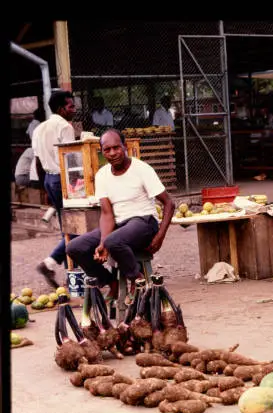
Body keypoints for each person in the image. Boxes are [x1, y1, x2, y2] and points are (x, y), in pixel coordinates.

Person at [67, 129, 175, 299]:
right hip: (119, 225)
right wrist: (102, 243)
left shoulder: (141, 169)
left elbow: (169, 203)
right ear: (102, 152)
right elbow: (107, 214)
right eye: (107, 150)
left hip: (144, 223)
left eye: (116, 148)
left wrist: (160, 235)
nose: (112, 153)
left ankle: (138, 281)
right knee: (75, 247)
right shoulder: (102, 175)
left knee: (113, 241)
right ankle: (111, 282)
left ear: (124, 147)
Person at [32, 90, 77, 289]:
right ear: (61, 109)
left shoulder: (39, 128)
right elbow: (70, 160)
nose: (74, 110)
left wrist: (45, 189)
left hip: (49, 180)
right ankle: (50, 263)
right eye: (71, 106)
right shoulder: (64, 127)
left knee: (67, 227)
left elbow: (38, 161)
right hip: (64, 179)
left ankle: (71, 275)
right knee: (75, 229)